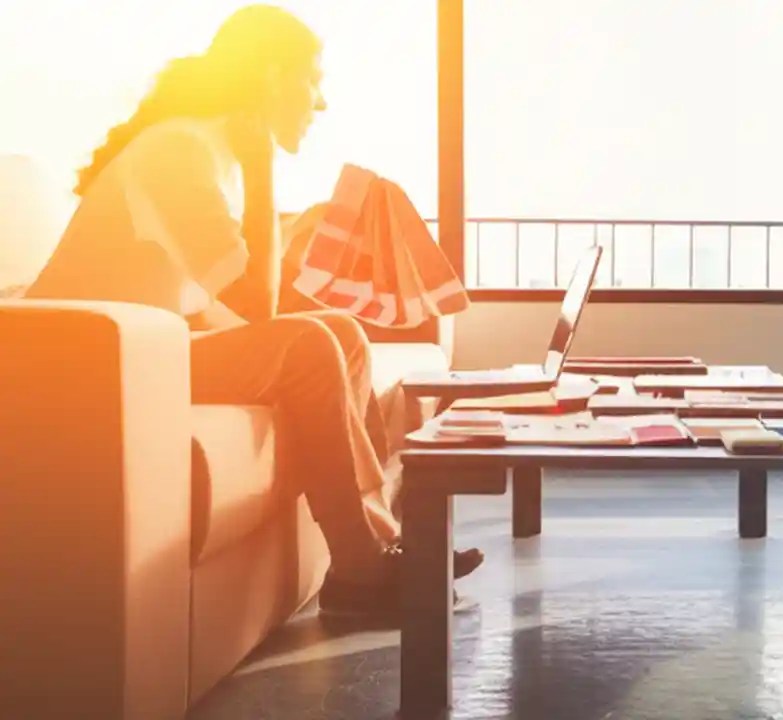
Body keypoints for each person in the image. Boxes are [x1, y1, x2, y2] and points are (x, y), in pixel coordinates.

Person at [25, 4, 481, 619]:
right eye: (312, 80)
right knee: (313, 345)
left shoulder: (208, 154)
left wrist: (293, 229)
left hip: (146, 358)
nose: (319, 103)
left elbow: (226, 305)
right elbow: (252, 304)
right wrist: (265, 176)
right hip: (94, 373)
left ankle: (380, 547)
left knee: (340, 334)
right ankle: (362, 569)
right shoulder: (181, 152)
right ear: (270, 77)